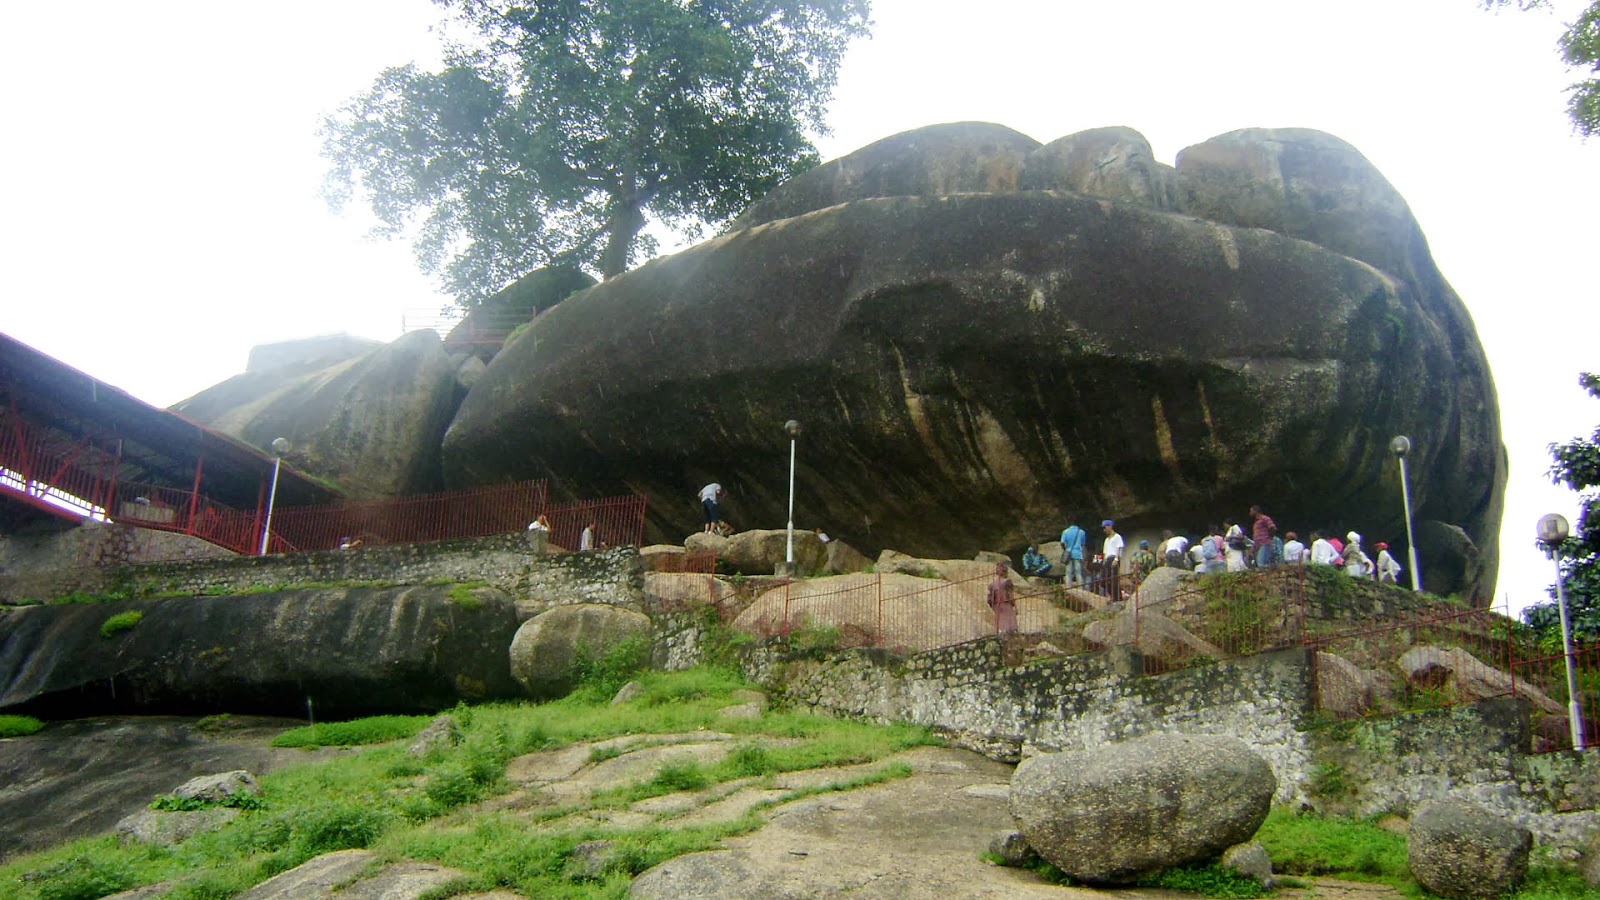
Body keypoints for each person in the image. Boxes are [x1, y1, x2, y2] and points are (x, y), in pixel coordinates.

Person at [986, 561, 1018, 635]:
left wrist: (993, 606)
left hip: (997, 605)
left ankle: (1001, 635)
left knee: (1000, 622)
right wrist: (1015, 606)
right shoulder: (1007, 582)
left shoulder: (992, 584)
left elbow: (990, 598)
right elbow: (1010, 594)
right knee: (1010, 622)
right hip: (1006, 604)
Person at [1100, 520, 1124, 598]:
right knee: (1104, 580)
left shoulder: (1117, 537)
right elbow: (1105, 552)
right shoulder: (1106, 540)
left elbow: (1119, 548)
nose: (1104, 530)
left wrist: (1116, 559)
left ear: (1110, 526)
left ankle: (1117, 597)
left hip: (1113, 558)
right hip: (1107, 560)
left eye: (1105, 527)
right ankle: (1112, 595)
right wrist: (1104, 560)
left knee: (1114, 580)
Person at [1060, 521, 1087, 587]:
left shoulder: (1065, 532)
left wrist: (1065, 549)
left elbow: (1062, 542)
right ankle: (1081, 588)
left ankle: (1068, 587)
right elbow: (1083, 544)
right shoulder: (1082, 532)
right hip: (1078, 553)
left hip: (1068, 553)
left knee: (1068, 572)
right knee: (1078, 572)